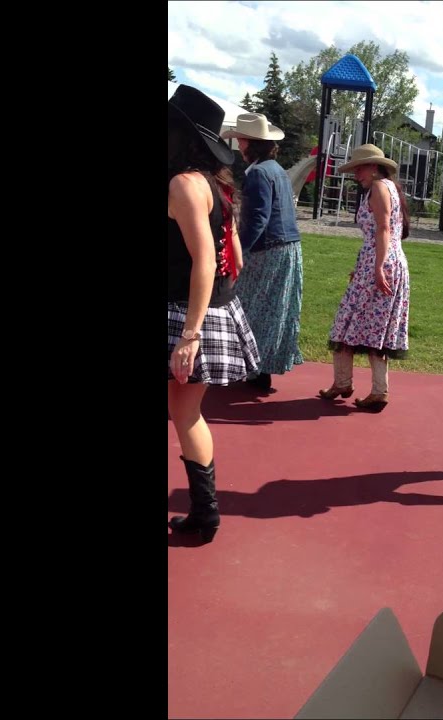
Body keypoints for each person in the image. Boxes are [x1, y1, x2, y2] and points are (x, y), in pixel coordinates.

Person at [168, 85, 261, 541]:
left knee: (185, 413)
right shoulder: (216, 185)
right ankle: (205, 515)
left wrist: (189, 334)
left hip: (181, 314)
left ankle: (205, 515)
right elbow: (234, 259)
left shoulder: (184, 184)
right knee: (187, 414)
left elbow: (206, 260)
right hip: (209, 309)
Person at [319, 144, 411, 412]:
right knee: (372, 328)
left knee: (348, 324)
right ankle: (362, 386)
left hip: (381, 262)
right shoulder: (388, 187)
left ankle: (352, 385)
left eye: (359, 168)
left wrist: (377, 267)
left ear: (373, 166)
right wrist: (366, 266)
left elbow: (383, 228)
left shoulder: (380, 188)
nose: (356, 173)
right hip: (381, 260)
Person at [221, 113, 304, 392]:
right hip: (286, 247)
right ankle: (260, 368)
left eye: (241, 140)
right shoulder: (274, 169)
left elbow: (258, 219)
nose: (239, 146)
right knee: (272, 310)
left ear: (248, 143)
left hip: (269, 249)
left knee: (249, 306)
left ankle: (255, 368)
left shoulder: (258, 173)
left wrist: (238, 253)